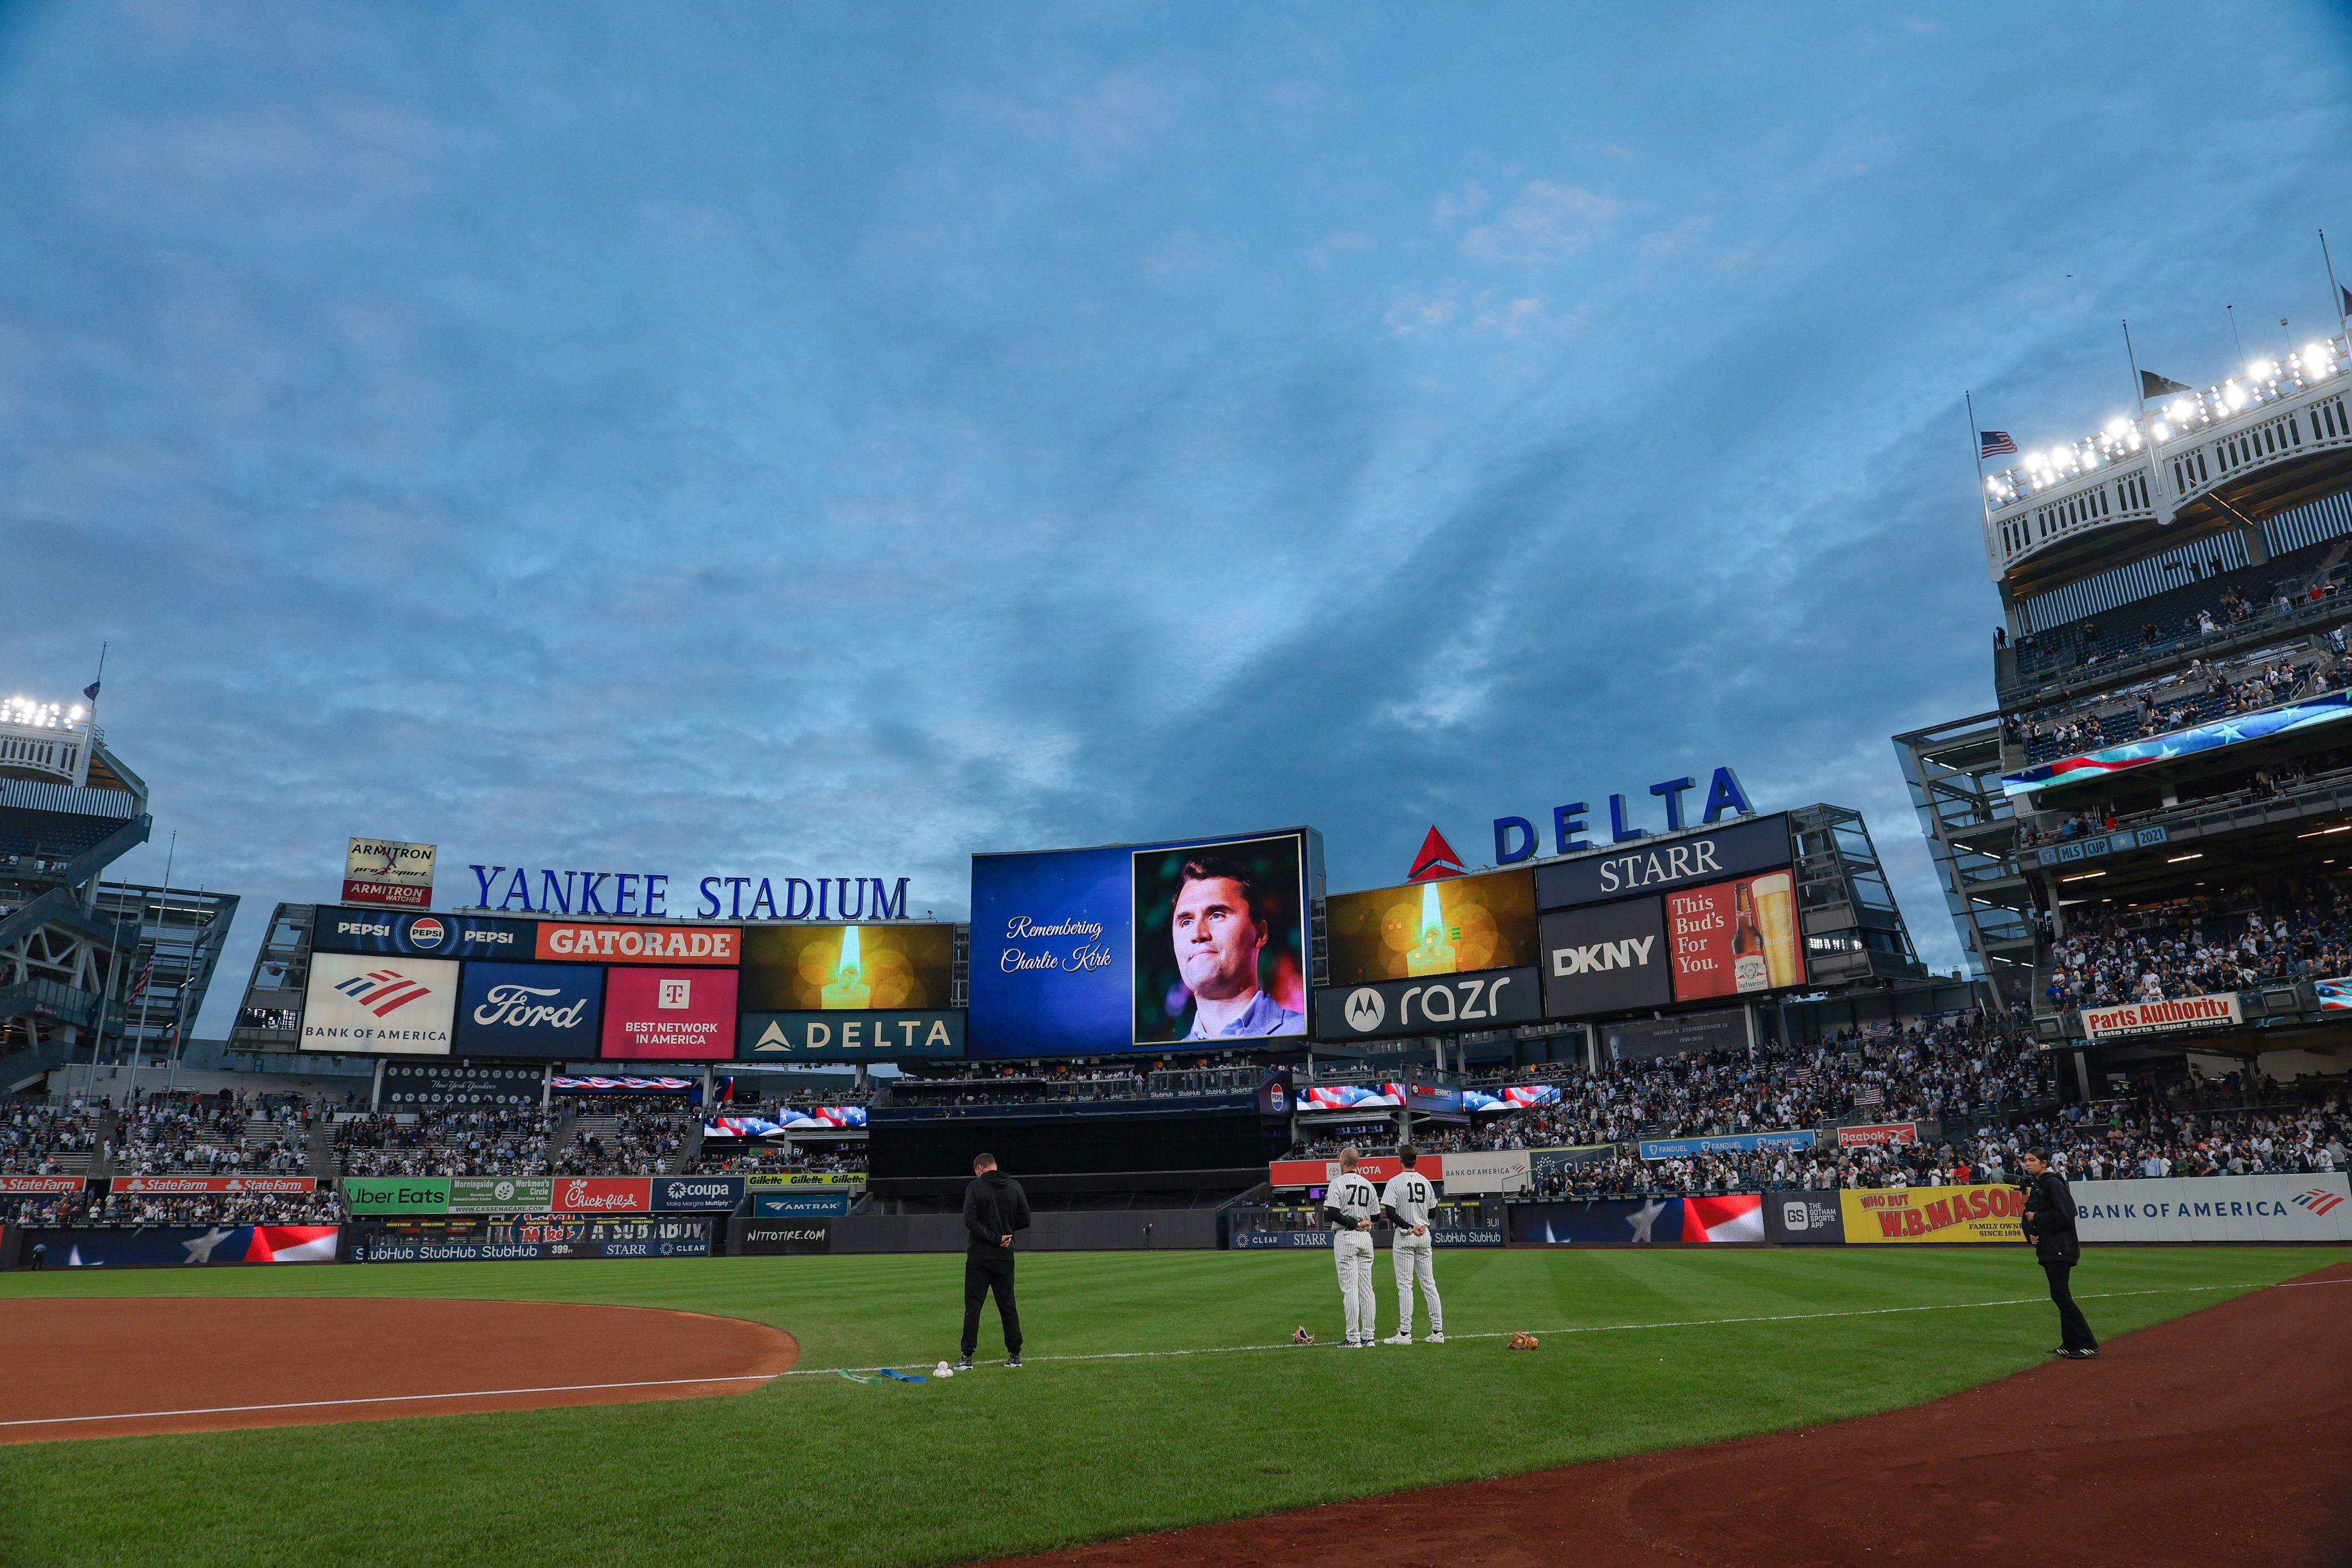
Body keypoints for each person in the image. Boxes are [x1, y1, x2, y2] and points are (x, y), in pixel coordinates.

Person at [1170, 857, 1304, 1039]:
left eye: (1217, 915)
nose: (1198, 933)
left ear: (1260, 934)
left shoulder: (1303, 1036)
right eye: (1186, 922)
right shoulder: (1166, 1061)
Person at [2018, 1146, 2098, 1358]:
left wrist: (2038, 1219)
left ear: (2044, 1163)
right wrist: (2031, 1235)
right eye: (2026, 1160)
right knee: (2060, 1296)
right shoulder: (2039, 1186)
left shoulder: (2052, 1183)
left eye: (2032, 1160)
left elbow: (2067, 1214)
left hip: (2060, 1247)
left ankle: (2088, 1343)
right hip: (2049, 1247)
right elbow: (2027, 1216)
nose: (2028, 1164)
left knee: (2061, 1296)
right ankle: (2070, 1343)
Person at [957, 1152, 1030, 1371]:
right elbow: (1025, 1219)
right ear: (995, 1166)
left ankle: (967, 1357)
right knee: (1008, 1305)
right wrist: (1005, 1234)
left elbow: (970, 1220)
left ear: (980, 1169)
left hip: (980, 1255)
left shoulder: (976, 1187)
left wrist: (994, 1238)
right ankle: (1015, 1355)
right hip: (1005, 1256)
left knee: (974, 1306)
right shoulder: (1014, 1186)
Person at [1380, 1146, 1444, 1344]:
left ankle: (1405, 1334)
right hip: (1424, 1234)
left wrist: (1409, 1226)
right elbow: (1433, 1214)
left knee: (1405, 1286)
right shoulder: (1426, 1182)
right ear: (1416, 1161)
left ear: (1400, 1160)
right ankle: (1438, 1331)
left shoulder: (1395, 1182)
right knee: (1429, 1284)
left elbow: (1389, 1212)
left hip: (1406, 1235)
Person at [1321, 1146, 1379, 1348]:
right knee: (1367, 1289)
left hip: (1346, 1237)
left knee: (1350, 1289)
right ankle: (1369, 1337)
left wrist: (1355, 1224)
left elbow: (1333, 1214)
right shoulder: (1368, 1184)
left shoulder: (1337, 1183)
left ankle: (1353, 1338)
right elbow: (1378, 1216)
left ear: (1343, 1162)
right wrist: (1363, 1222)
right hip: (1365, 1238)